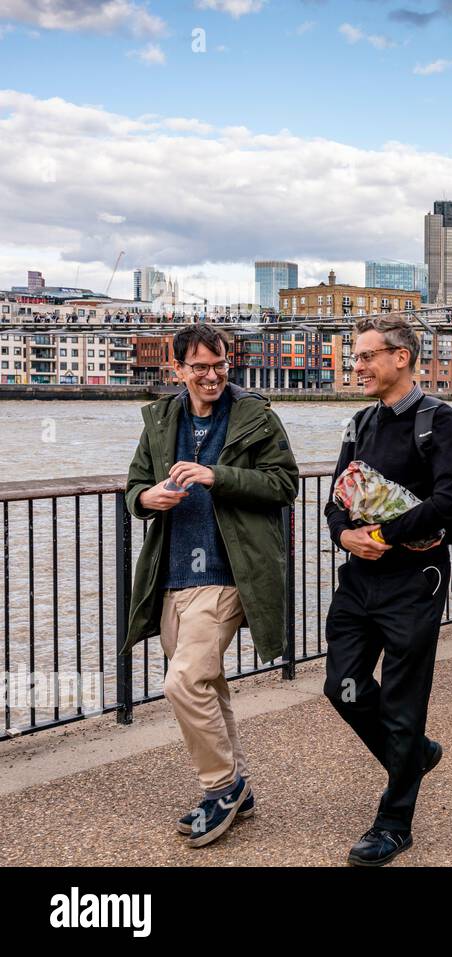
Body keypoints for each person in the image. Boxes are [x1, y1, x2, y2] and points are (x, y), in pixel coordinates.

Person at [123, 323, 299, 849]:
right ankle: (239, 789)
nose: (211, 375)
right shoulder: (161, 418)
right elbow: (134, 483)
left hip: (228, 573)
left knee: (182, 682)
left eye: (219, 364)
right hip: (173, 575)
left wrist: (217, 476)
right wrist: (145, 499)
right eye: (198, 366)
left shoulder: (256, 416)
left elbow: (284, 484)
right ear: (177, 370)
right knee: (207, 683)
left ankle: (220, 788)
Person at [323, 315, 452, 866]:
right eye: (355, 357)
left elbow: (449, 502)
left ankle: (394, 822)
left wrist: (381, 532)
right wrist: (345, 534)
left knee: (406, 699)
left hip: (417, 578)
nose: (355, 366)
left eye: (365, 357)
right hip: (359, 578)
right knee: (343, 686)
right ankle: (415, 756)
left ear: (400, 357)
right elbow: (336, 498)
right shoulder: (359, 423)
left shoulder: (439, 421)